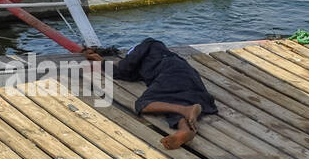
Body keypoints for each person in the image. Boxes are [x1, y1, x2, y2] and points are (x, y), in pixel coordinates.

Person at [83, 38, 217, 149]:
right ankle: (185, 130)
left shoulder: (149, 43)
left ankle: (185, 109)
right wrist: (101, 61)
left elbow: (123, 68)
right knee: (172, 101)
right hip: (190, 76)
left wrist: (105, 61)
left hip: (169, 73)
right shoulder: (159, 59)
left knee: (143, 103)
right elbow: (123, 73)